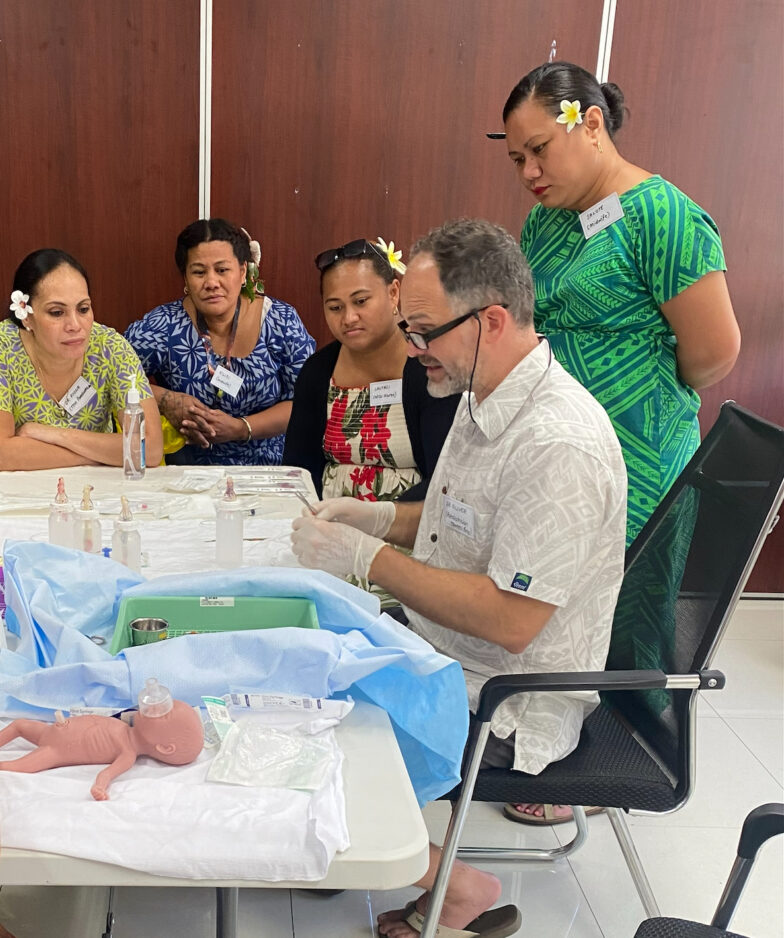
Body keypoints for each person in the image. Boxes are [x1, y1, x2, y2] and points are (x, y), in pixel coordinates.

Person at [290, 219, 627, 938]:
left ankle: (455, 883)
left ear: (492, 320)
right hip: (445, 647)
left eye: (423, 332)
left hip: (509, 696)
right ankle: (357, 833)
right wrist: (377, 519)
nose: (413, 352)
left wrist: (366, 560)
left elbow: (512, 620)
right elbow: (453, 521)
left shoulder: (556, 442)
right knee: (295, 644)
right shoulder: (482, 393)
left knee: (303, 714)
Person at [502, 62, 739, 548]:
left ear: (591, 124)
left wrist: (636, 383)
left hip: (636, 463)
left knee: (626, 618)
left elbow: (715, 352)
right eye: (517, 159)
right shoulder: (546, 221)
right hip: (556, 451)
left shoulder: (662, 214)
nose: (529, 172)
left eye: (539, 150)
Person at [0, 248, 163, 510]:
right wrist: (99, 456)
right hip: (7, 496)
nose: (75, 324)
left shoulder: (110, 347)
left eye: (83, 309)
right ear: (27, 315)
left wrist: (52, 435)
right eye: (57, 313)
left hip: (92, 494)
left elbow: (148, 449)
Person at [125, 219, 315, 465]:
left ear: (243, 271)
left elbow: (306, 403)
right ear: (185, 277)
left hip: (267, 472)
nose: (211, 282)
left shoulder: (281, 322)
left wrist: (241, 428)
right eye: (199, 272)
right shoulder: (163, 325)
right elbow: (114, 377)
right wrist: (166, 400)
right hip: (184, 478)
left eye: (222, 270)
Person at [283, 236, 457, 502]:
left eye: (361, 301)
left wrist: (380, 524)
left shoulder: (429, 367)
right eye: (335, 307)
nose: (349, 318)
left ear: (393, 293)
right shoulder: (318, 372)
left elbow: (445, 481)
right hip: (326, 528)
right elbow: (298, 471)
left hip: (410, 529)